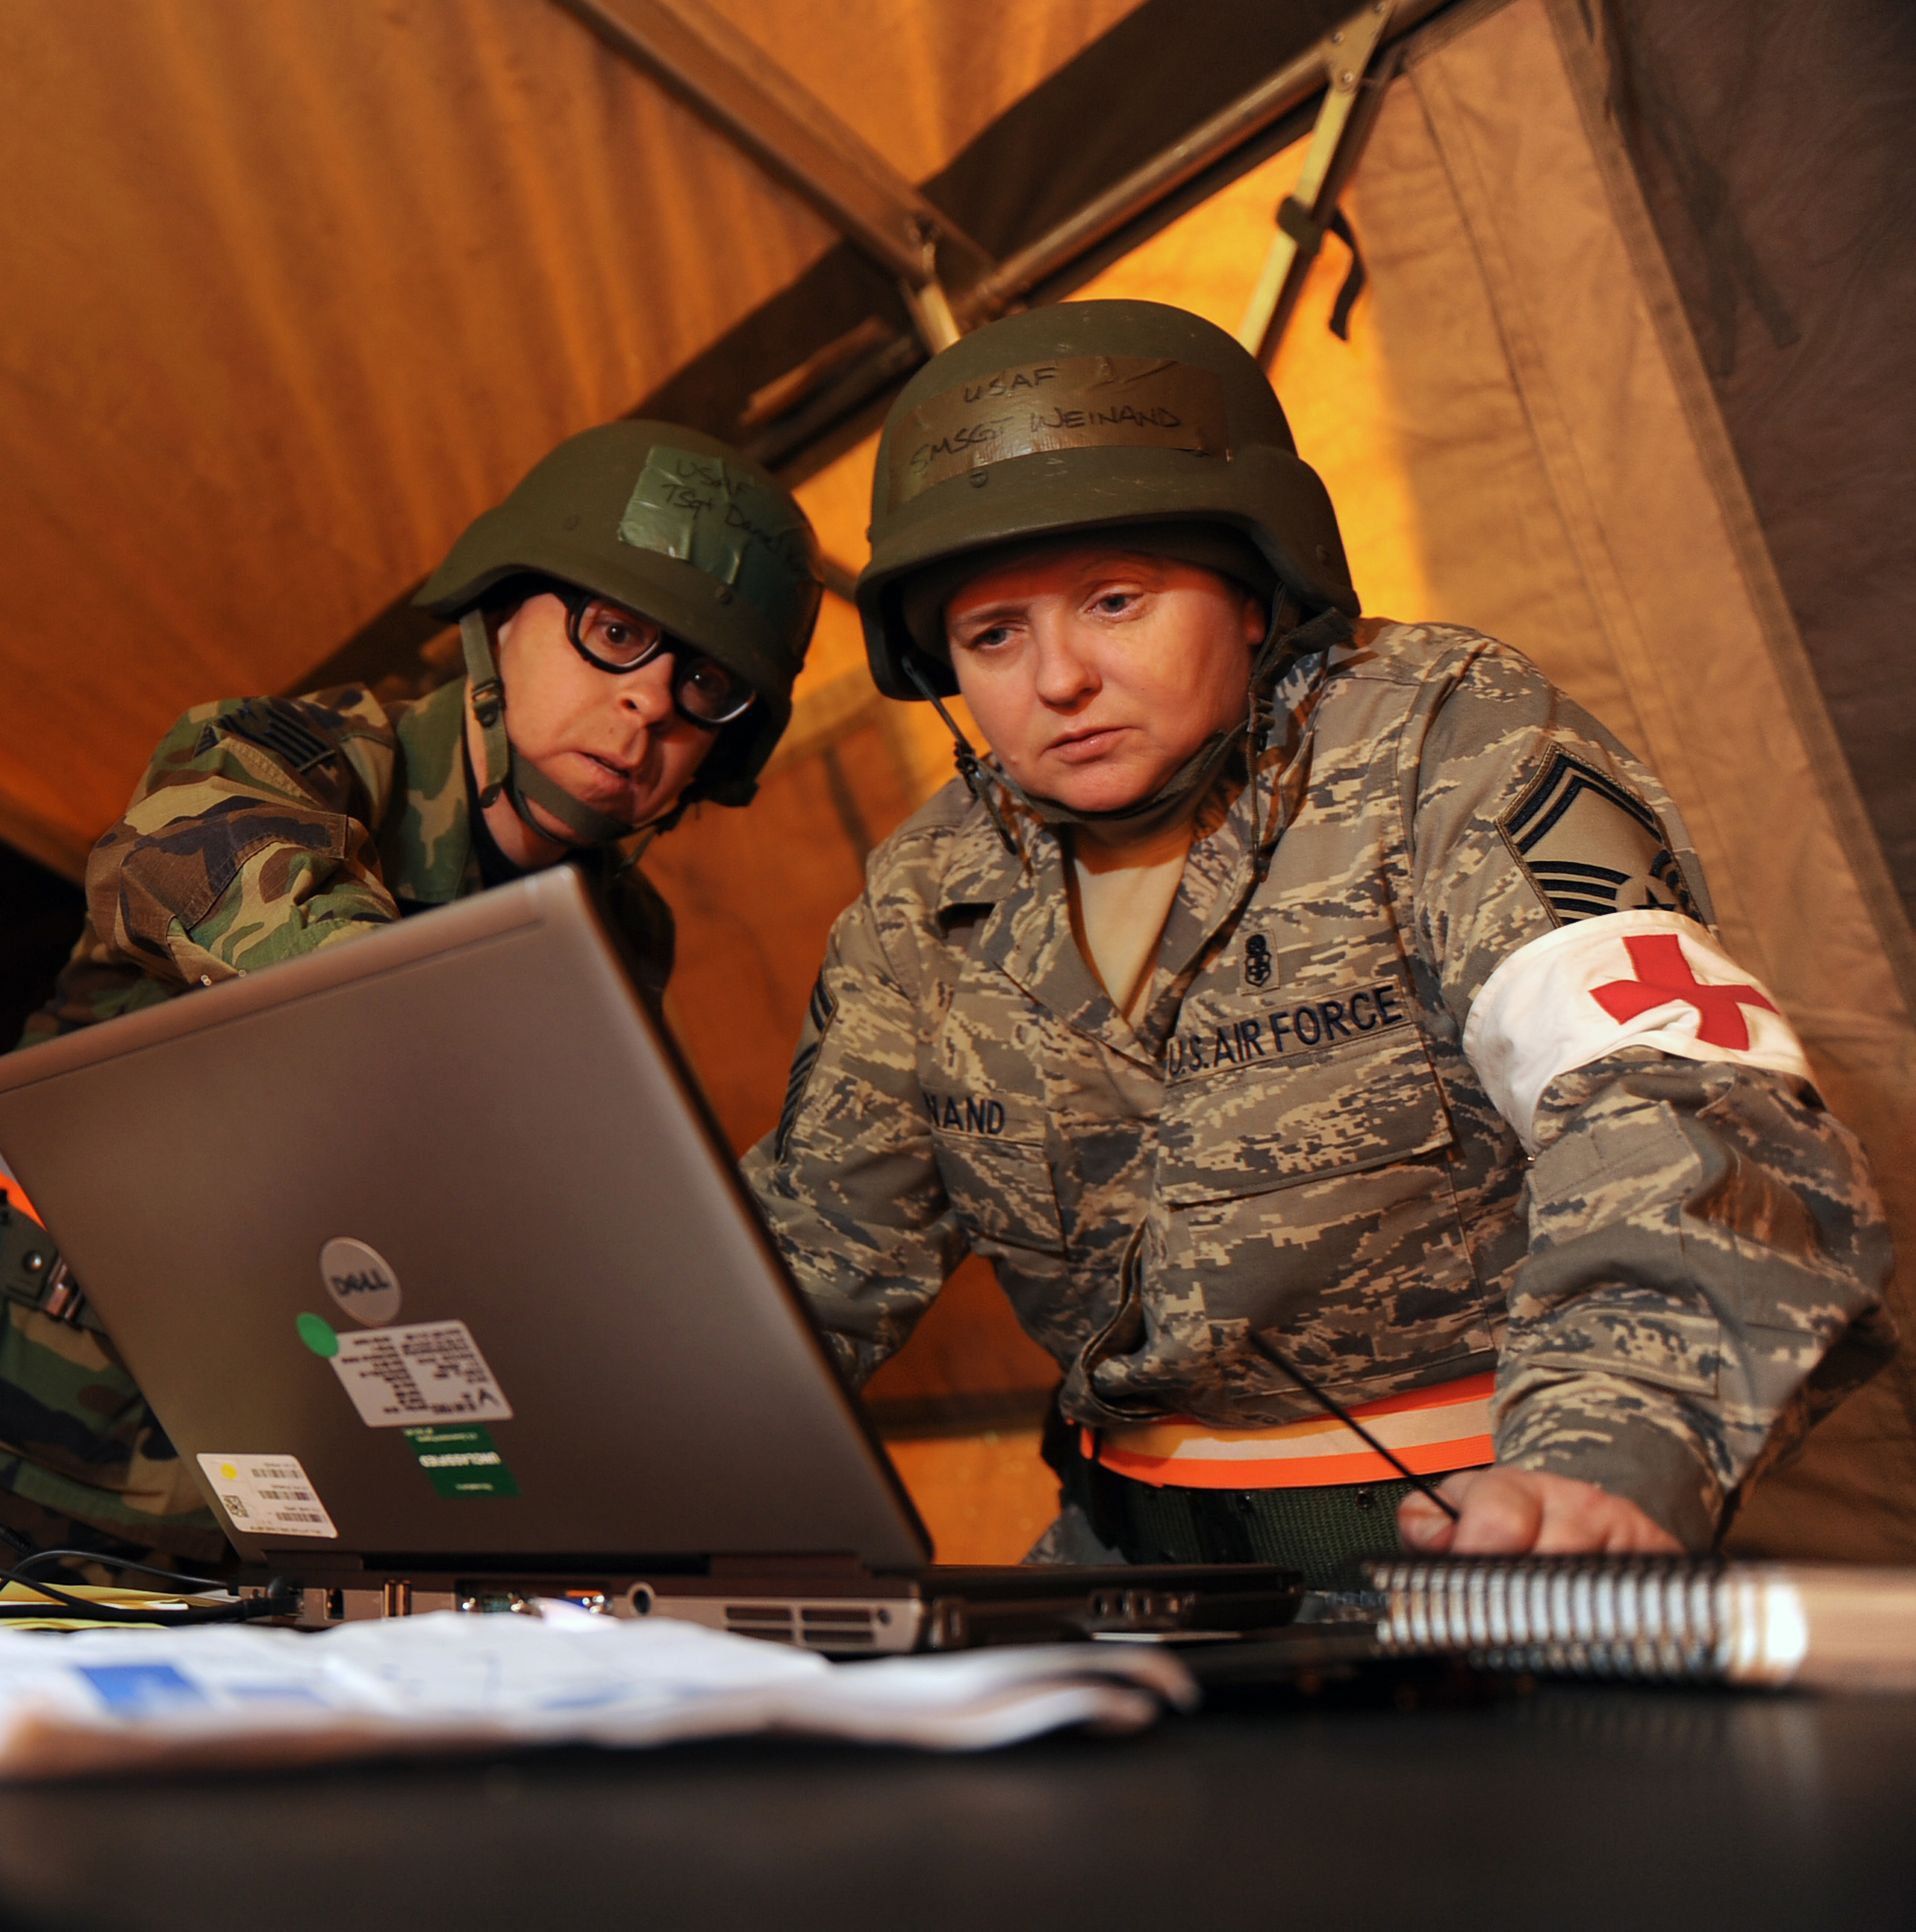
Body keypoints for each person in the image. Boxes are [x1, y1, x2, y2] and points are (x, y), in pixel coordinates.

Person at [743, 298, 1892, 1571]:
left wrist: (1607, 1457)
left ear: (1252, 592)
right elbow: (808, 1257)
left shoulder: (1445, 747)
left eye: (1114, 600)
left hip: (1487, 1562)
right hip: (1126, 1583)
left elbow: (1670, 1097)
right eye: (993, 635)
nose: (1057, 678)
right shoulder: (928, 895)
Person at [0, 423, 821, 1569]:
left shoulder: (622, 936)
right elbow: (236, 893)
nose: (648, 707)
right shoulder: (290, 760)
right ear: (498, 616)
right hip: (36, 1467)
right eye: (614, 635)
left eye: (705, 684)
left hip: (333, 1493)